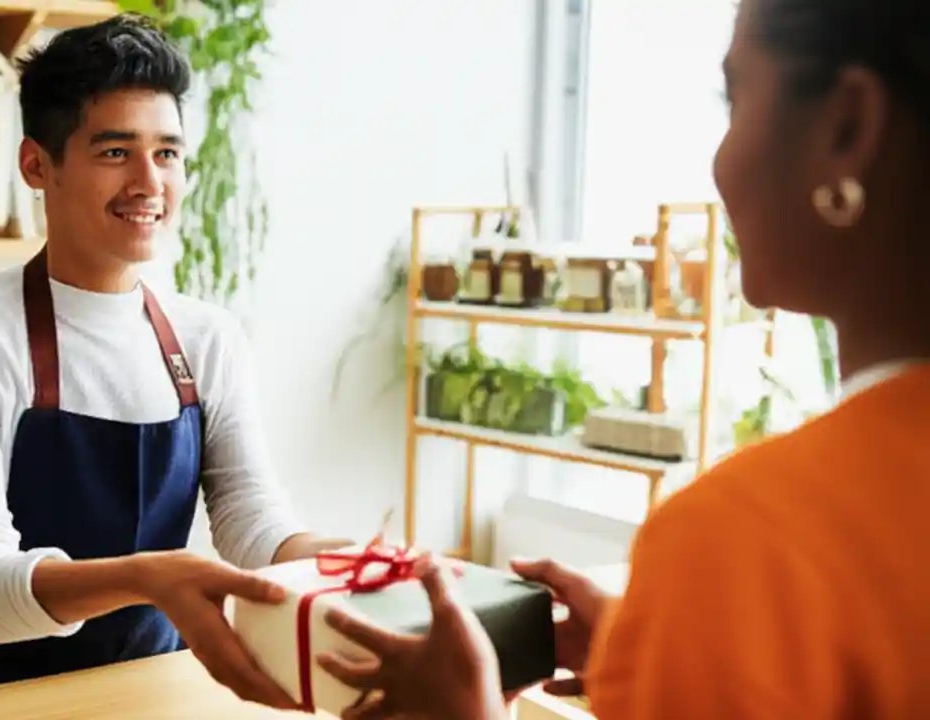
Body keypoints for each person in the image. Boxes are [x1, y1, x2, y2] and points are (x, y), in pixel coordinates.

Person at [314, 0, 930, 717]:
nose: (721, 162)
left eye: (733, 99)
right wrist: (665, 660)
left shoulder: (745, 545)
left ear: (847, 127)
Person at [0, 14, 349, 706]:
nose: (149, 183)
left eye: (167, 154)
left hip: (151, 688)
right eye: (116, 153)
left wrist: (355, 566)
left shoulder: (207, 337)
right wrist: (147, 577)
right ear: (36, 165)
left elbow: (253, 522)